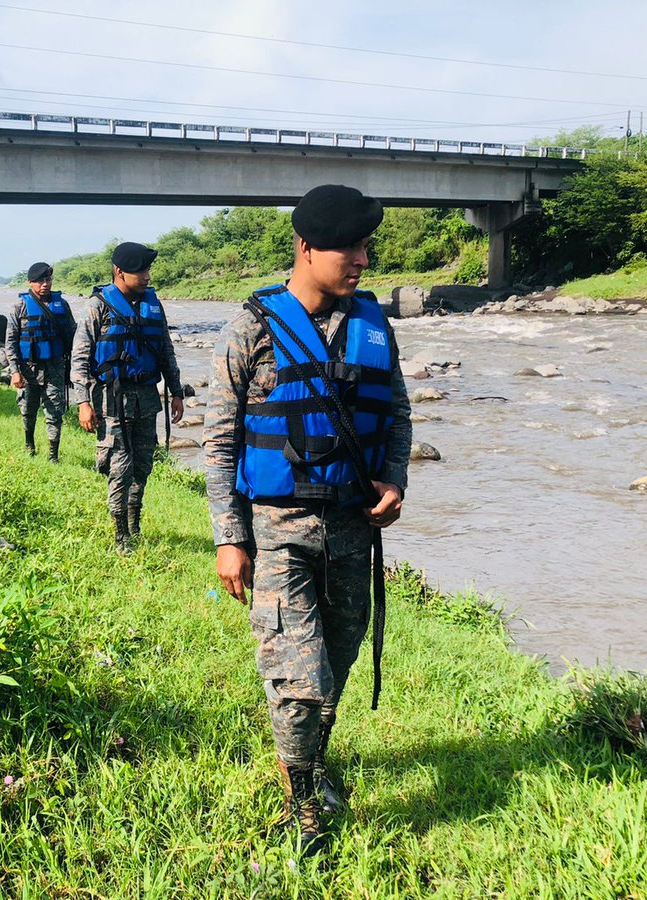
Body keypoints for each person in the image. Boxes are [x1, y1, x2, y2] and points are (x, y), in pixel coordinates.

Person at [202, 184, 412, 854]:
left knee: (338, 664)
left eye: (365, 245)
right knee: (299, 675)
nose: (361, 259)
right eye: (348, 247)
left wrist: (395, 482)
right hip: (278, 531)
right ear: (305, 248)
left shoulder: (373, 326)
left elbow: (399, 416)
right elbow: (221, 439)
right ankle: (303, 810)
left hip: (353, 528)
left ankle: (312, 763)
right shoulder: (251, 329)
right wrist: (229, 537)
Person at [71, 241, 184, 554]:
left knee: (143, 466)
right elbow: (80, 357)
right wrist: (83, 402)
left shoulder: (153, 303)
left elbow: (165, 349)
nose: (147, 276)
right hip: (112, 401)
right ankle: (121, 536)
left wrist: (176, 391)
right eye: (141, 271)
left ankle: (135, 527)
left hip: (147, 398)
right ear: (120, 272)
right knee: (119, 467)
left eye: (148, 270)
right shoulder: (98, 306)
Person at [5, 262, 76, 463]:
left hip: (55, 367)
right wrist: (14, 371)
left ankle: (53, 456)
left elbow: (72, 334)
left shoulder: (61, 305)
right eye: (40, 281)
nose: (45, 284)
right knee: (27, 410)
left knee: (55, 411)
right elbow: (10, 341)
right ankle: (29, 445)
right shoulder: (19, 307)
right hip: (28, 368)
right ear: (30, 282)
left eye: (48, 280)